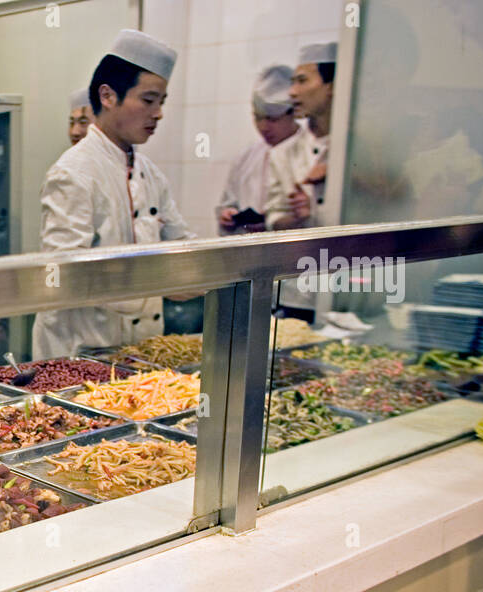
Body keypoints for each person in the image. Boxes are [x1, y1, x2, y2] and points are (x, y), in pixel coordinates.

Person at [33, 29, 195, 360]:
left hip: (140, 354)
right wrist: (158, 276)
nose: (159, 113)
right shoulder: (74, 173)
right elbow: (62, 276)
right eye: (148, 100)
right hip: (79, 358)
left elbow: (183, 247)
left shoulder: (151, 174)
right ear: (108, 96)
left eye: (162, 102)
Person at [216, 64, 300, 235]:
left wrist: (274, 224)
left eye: (272, 119)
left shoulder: (306, 153)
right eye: (258, 117)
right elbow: (228, 202)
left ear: (293, 113)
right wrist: (227, 214)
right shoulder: (246, 157)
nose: (263, 127)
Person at [264, 42, 337, 231]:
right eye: (293, 82)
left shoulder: (356, 150)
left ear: (331, 87)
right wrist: (300, 217)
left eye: (302, 81)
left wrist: (335, 170)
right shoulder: (282, 154)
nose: (292, 92)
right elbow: (275, 217)